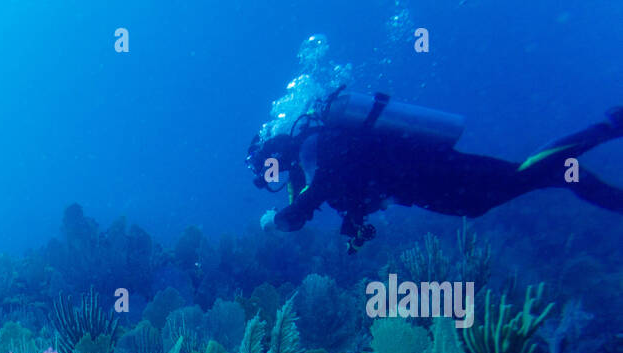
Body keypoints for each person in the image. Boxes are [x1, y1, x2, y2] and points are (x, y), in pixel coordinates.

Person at [248, 88, 623, 252]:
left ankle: (604, 128)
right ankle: (569, 175)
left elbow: (316, 193)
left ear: (278, 151)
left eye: (271, 167)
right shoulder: (315, 153)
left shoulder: (315, 145)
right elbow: (339, 189)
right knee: (505, 188)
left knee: (516, 177)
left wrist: (280, 220)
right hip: (426, 184)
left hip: (431, 173)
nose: (275, 175)